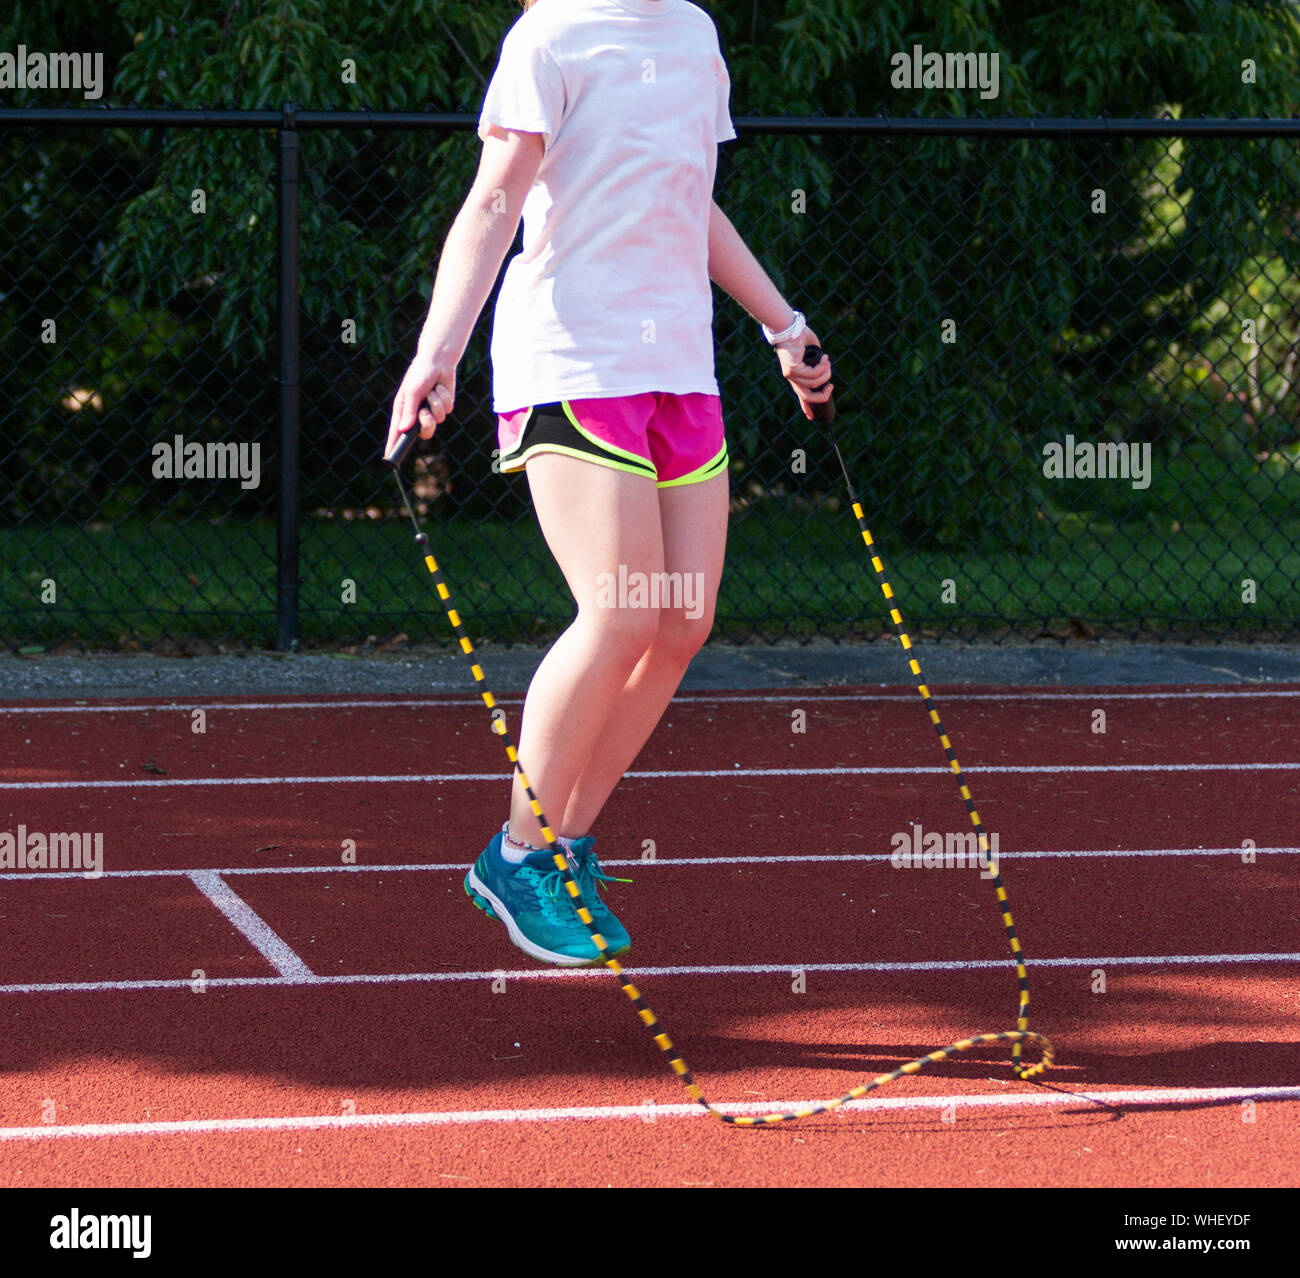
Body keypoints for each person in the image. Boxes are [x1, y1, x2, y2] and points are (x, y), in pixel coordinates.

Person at [384, 0, 832, 967]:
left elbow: (689, 200)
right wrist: (438, 350)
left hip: (679, 367)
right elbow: (495, 201)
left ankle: (565, 840)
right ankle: (515, 853)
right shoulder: (549, 40)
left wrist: (781, 325)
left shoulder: (695, 36)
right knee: (621, 610)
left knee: (681, 621)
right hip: (574, 360)